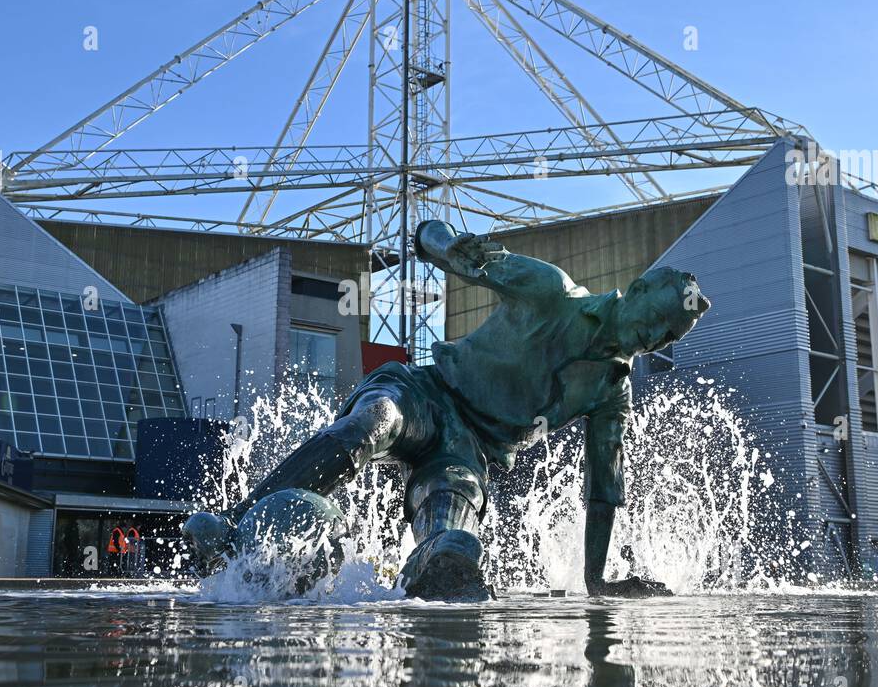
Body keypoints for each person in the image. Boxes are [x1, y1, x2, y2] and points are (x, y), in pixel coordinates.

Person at [182, 219, 710, 601]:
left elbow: (603, 489)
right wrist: (446, 241)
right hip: (425, 393)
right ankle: (230, 530)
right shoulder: (550, 291)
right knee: (373, 421)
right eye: (657, 320)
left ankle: (427, 574)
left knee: (454, 531)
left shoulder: (611, 394)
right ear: (638, 289)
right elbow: (438, 244)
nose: (654, 338)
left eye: (668, 336)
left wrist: (596, 581)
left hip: (467, 451)